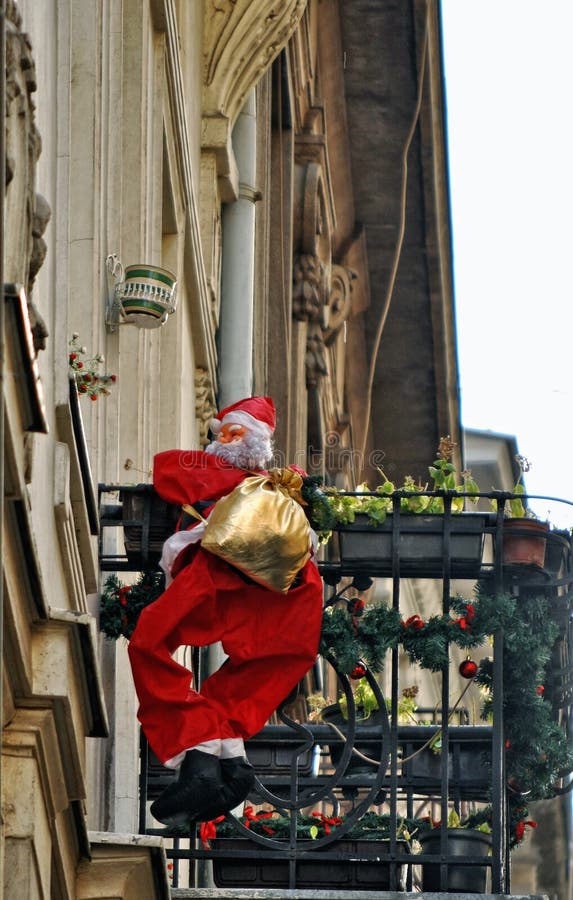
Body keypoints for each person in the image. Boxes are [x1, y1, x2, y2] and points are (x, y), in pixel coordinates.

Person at [128, 396, 324, 828]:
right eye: (221, 433)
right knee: (262, 666)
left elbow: (168, 472)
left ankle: (200, 752)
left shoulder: (217, 471)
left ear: (247, 438)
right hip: (283, 595)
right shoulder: (284, 489)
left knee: (149, 642)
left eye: (230, 432)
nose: (222, 439)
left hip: (218, 577)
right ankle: (229, 760)